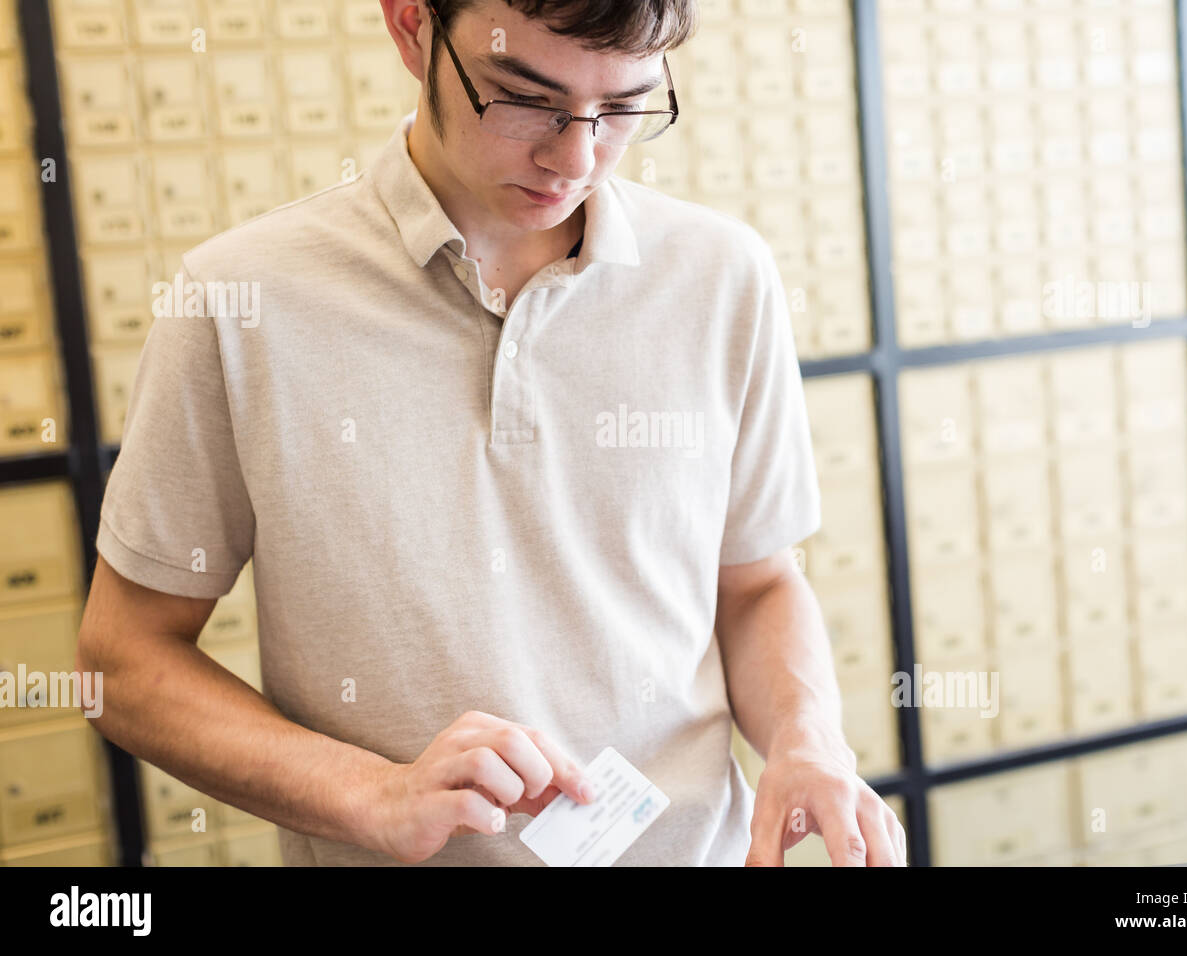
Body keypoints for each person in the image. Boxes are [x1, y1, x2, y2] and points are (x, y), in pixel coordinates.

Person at [77, 0, 906, 866]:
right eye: (522, 97)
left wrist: (809, 742)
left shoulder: (724, 275)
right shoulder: (237, 300)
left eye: (623, 107)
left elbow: (757, 586)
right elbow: (124, 660)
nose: (576, 159)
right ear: (411, 30)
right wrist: (370, 794)